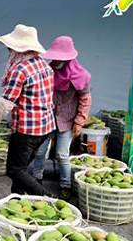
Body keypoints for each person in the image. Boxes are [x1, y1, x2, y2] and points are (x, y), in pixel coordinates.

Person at [0, 24, 56, 196]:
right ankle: (16, 199)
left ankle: (46, 197)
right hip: (46, 127)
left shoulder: (20, 69)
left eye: (9, 48)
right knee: (23, 168)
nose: (8, 51)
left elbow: (6, 102)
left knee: (15, 170)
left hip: (28, 130)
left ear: (16, 49)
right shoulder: (44, 65)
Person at [30, 36, 92, 200]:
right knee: (40, 152)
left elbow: (85, 100)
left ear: (69, 58)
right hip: (46, 118)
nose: (56, 60)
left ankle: (66, 186)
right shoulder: (48, 72)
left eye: (60, 58)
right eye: (54, 57)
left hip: (68, 119)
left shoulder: (81, 76)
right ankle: (36, 180)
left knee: (62, 154)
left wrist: (80, 121)